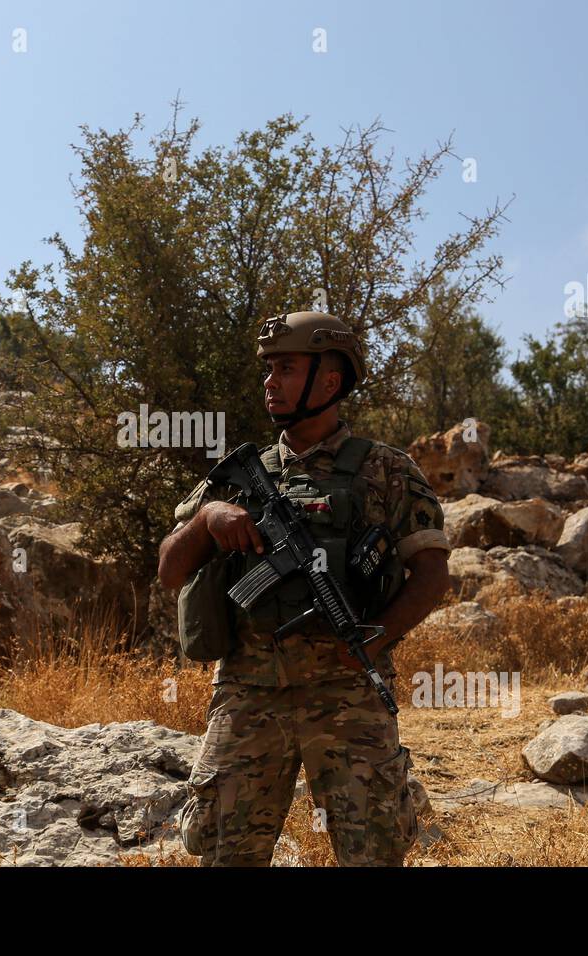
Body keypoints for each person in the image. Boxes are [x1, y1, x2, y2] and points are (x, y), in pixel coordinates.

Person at [159, 311, 452, 866]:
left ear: (330, 381)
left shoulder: (386, 469)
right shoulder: (236, 475)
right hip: (248, 694)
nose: (270, 382)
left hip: (349, 694)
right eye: (268, 369)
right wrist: (207, 520)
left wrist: (375, 638)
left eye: (286, 368)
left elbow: (433, 575)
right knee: (224, 852)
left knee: (373, 850)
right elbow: (170, 571)